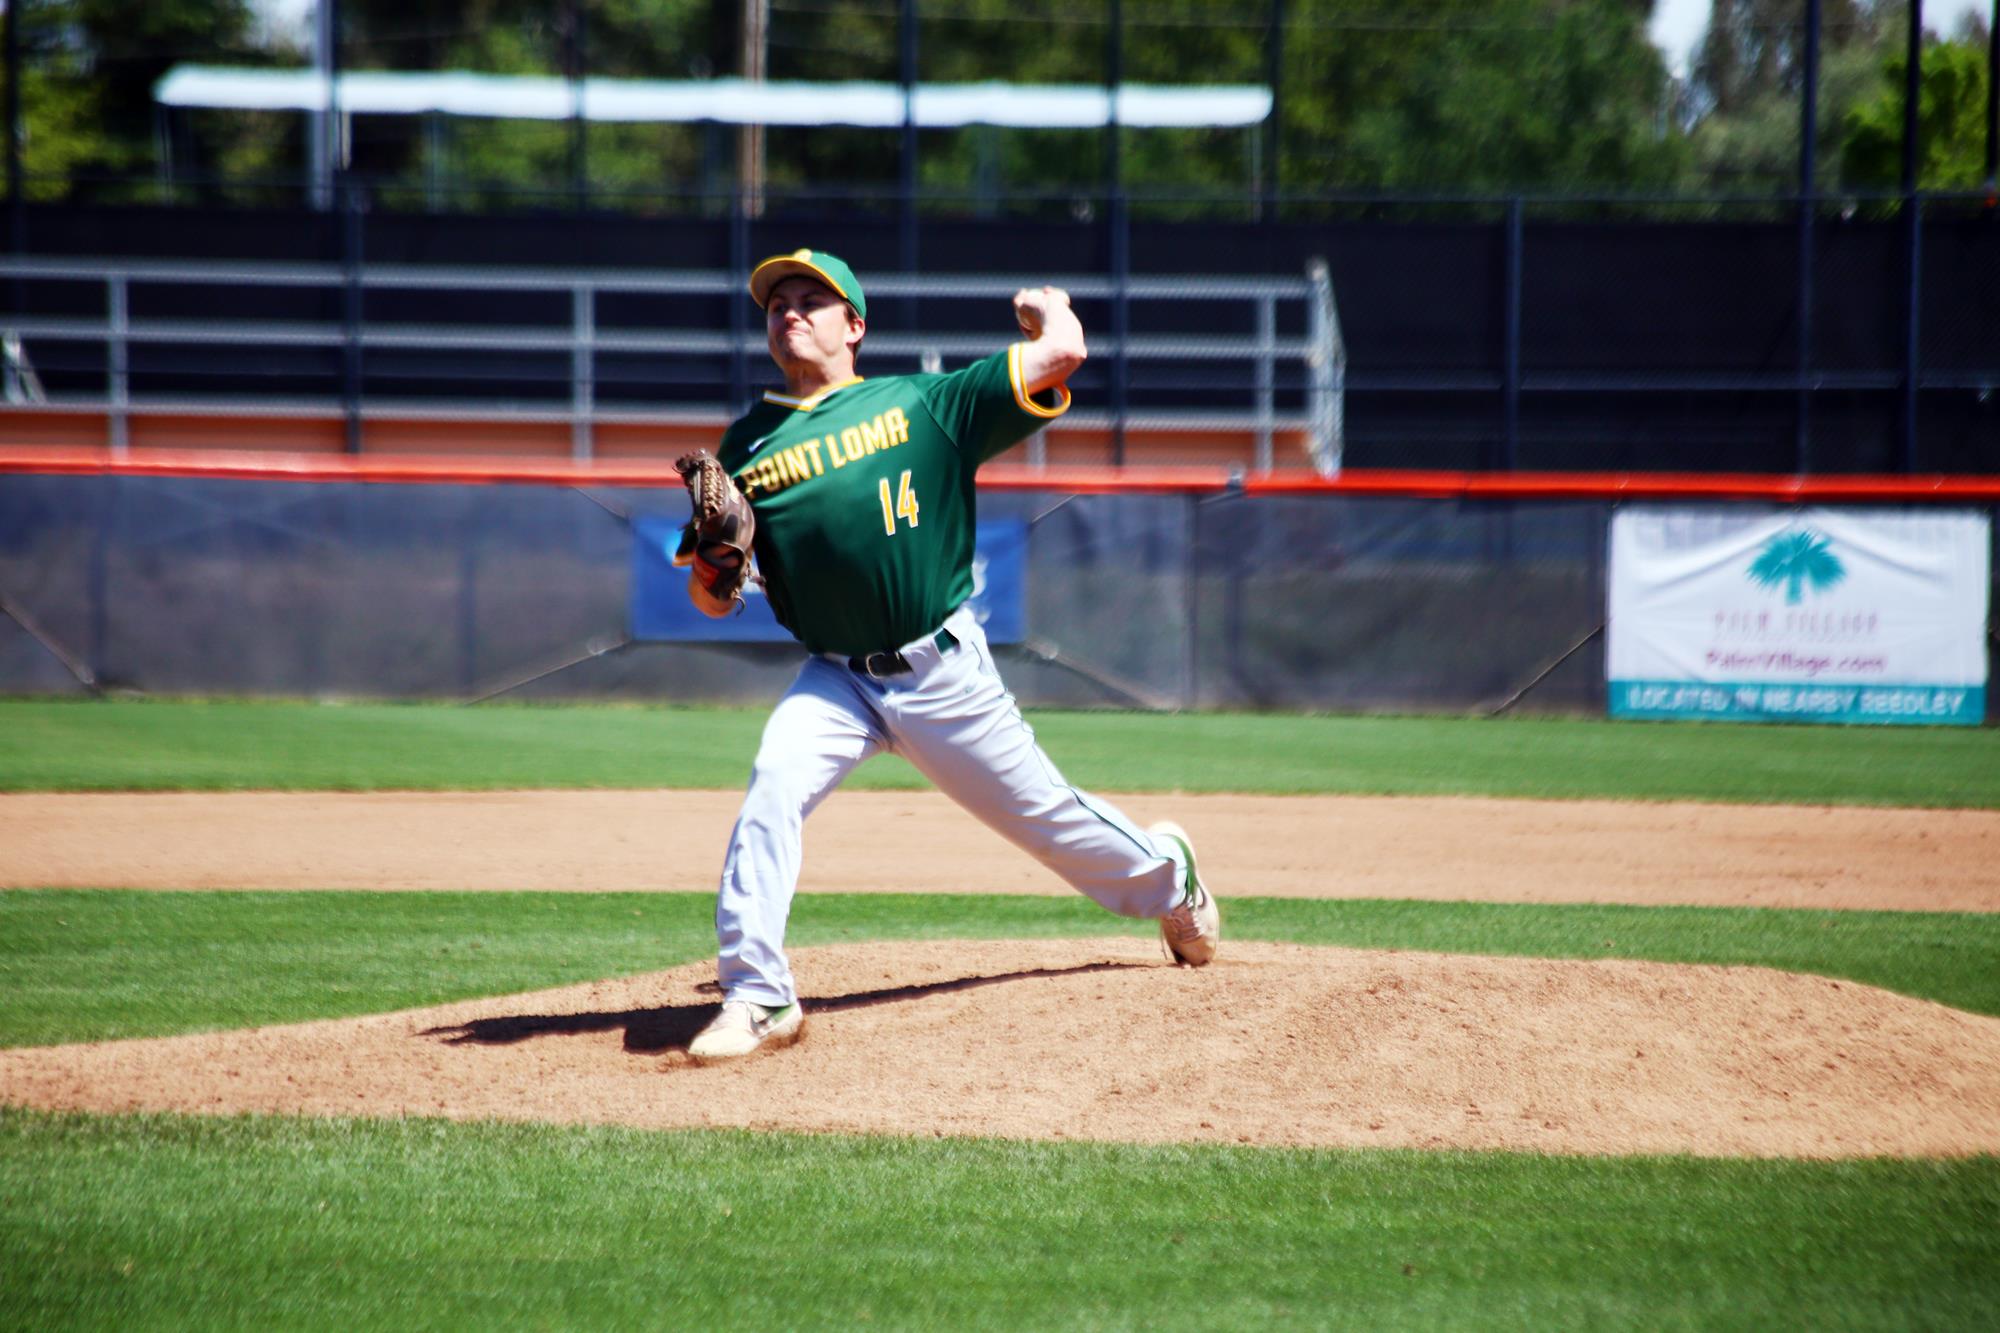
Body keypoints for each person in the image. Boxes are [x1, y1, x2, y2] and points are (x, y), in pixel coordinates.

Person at [684, 248, 1219, 1064]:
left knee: (1052, 822)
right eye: (777, 303)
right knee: (773, 783)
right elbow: (712, 599)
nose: (789, 311)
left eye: (811, 300)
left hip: (940, 672)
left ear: (854, 325)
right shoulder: (747, 444)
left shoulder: (924, 405)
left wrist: (1050, 312)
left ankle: (1170, 879)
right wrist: (717, 572)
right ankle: (758, 996)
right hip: (836, 677)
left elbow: (1065, 354)